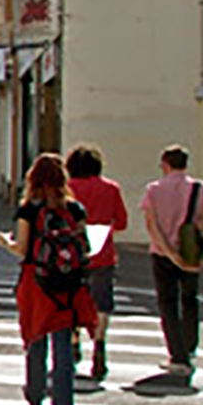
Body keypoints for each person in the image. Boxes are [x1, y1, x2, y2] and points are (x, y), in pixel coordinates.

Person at [0, 153, 98, 405]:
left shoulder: (29, 209)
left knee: (35, 339)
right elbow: (83, 248)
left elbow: (22, 249)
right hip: (67, 285)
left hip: (36, 283)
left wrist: (6, 242)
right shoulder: (75, 209)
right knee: (64, 350)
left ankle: (35, 395)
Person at [139, 144, 203, 377]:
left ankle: (177, 355)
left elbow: (152, 225)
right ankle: (190, 346)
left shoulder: (153, 190)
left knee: (168, 303)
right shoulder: (200, 188)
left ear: (165, 164)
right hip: (190, 252)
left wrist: (169, 252)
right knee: (190, 299)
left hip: (163, 252)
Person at [65, 144, 129, 382]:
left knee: (72, 299)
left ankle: (73, 341)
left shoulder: (68, 189)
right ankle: (99, 344)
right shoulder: (111, 189)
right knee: (102, 301)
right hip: (102, 253)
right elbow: (121, 222)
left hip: (72, 253)